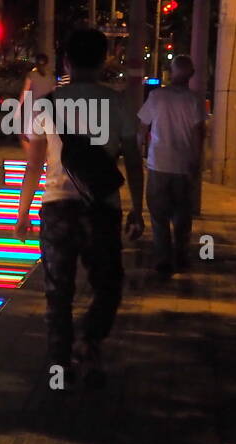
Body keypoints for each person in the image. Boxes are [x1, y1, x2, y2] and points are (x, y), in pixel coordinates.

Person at [16, 29, 144, 388]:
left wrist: (23, 211)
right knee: (108, 284)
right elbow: (133, 161)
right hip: (102, 207)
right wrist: (137, 207)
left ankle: (59, 366)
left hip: (57, 207)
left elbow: (34, 165)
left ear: (67, 61)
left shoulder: (49, 104)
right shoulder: (118, 104)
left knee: (59, 290)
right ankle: (89, 339)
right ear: (104, 60)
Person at [138, 56, 206, 276]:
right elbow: (199, 133)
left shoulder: (157, 96)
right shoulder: (194, 100)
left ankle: (163, 258)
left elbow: (142, 127)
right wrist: (196, 160)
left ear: (171, 72)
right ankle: (181, 256)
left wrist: (139, 152)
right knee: (182, 214)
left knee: (158, 215)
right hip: (184, 164)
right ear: (191, 74)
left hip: (159, 162)